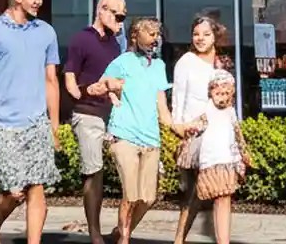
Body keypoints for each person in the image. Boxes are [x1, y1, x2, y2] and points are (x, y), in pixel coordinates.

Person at [0, 0, 62, 244]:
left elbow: (51, 80)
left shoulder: (46, 32)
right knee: (13, 192)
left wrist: (54, 125)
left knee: (36, 188)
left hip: (36, 122)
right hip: (1, 122)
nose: (39, 1)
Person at [87, 17, 192, 244]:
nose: (156, 39)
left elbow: (162, 108)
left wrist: (180, 129)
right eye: (151, 34)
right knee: (131, 195)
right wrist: (110, 89)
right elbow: (97, 87)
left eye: (158, 35)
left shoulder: (159, 66)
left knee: (148, 198)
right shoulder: (122, 62)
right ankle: (124, 240)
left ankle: (120, 233)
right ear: (135, 36)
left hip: (150, 138)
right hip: (124, 135)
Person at [62, 0, 127, 244]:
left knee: (130, 171)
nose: (120, 21)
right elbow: (70, 78)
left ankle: (122, 229)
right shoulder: (82, 39)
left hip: (112, 114)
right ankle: (95, 233)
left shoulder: (115, 45)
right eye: (117, 15)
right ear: (102, 10)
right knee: (94, 172)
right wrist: (85, 92)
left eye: (123, 17)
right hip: (88, 113)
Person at [171, 16, 231, 244]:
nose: (200, 39)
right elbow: (178, 98)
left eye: (206, 34)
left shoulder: (222, 63)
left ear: (215, 36)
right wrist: (179, 128)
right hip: (195, 132)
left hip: (220, 133)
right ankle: (179, 239)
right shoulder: (186, 62)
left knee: (222, 190)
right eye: (196, 34)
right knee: (195, 192)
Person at [196, 70, 251, 244]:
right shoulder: (205, 109)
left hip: (227, 161)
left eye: (226, 92)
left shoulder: (230, 111)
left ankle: (223, 240)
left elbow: (237, 133)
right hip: (210, 162)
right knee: (217, 199)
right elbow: (194, 129)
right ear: (211, 91)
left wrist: (243, 152)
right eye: (218, 90)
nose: (222, 95)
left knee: (224, 199)